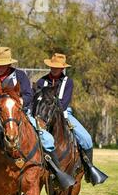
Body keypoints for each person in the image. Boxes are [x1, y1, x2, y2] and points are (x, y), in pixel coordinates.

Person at [0, 47, 75, 195]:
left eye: (2, 64)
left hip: (22, 114)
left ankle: (57, 174)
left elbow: (28, 95)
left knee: (47, 139)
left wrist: (19, 101)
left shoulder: (20, 76)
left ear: (9, 64)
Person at [36, 53, 108, 185]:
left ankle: (88, 170)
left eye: (57, 67)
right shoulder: (41, 81)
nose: (54, 69)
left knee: (86, 139)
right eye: (52, 66)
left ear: (63, 68)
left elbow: (64, 102)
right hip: (42, 115)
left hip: (64, 114)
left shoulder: (68, 82)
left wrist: (54, 113)